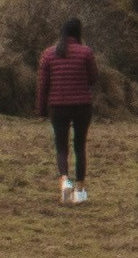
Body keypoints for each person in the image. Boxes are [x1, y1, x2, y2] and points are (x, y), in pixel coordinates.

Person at [36, 13, 102, 203]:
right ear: (78, 33)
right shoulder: (86, 52)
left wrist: (41, 108)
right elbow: (93, 78)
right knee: (80, 147)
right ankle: (80, 191)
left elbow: (43, 84)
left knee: (61, 146)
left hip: (58, 107)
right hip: (82, 106)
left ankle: (65, 181)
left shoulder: (49, 54)